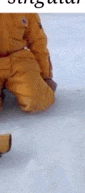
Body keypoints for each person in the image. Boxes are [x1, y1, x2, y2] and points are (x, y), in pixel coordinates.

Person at [0, 13, 57, 154]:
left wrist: (46, 76)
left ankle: (11, 88)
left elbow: (38, 41)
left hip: (19, 58)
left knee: (39, 101)